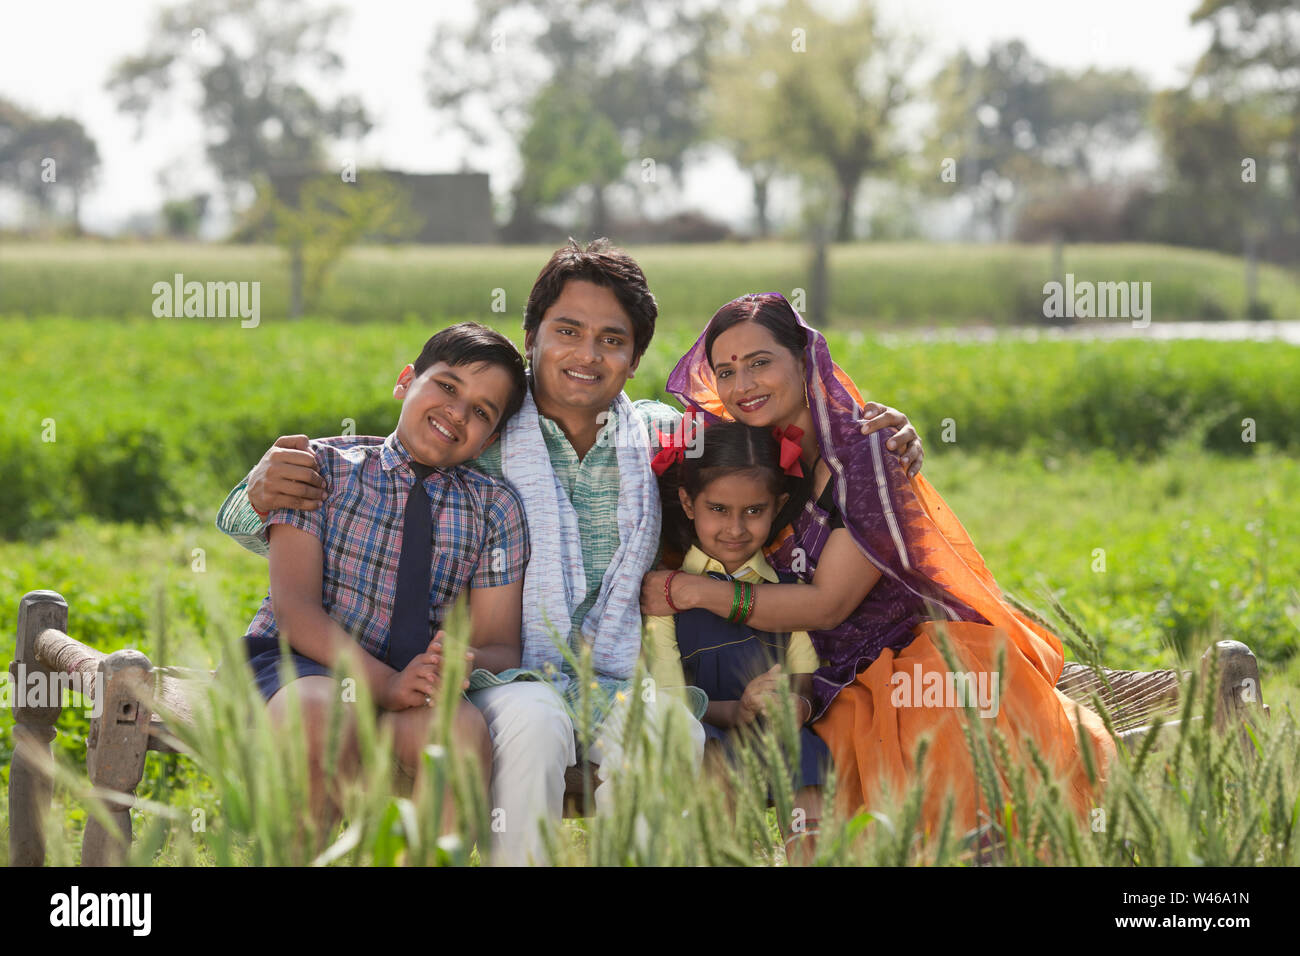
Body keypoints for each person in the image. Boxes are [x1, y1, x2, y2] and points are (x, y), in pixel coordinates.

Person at [218, 240, 926, 864]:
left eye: (612, 340)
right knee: (532, 724)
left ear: (636, 358)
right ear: (530, 336)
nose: (587, 356)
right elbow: (377, 489)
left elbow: (766, 446)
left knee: (671, 731)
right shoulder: (485, 427)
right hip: (507, 678)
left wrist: (867, 433)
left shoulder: (660, 435)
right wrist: (258, 488)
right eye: (567, 331)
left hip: (615, 678)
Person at [643, 292, 1117, 840]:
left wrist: (694, 592)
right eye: (724, 371)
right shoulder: (756, 456)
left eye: (759, 363)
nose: (741, 385)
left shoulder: (865, 451)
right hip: (817, 680)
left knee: (947, 785)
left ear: (804, 359)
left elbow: (828, 605)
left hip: (902, 659)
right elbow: (656, 455)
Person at [230, 322, 530, 840]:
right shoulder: (322, 468)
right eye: (447, 386)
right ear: (406, 380)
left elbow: (500, 645)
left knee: (459, 735)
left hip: (412, 683)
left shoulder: (494, 507)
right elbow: (295, 610)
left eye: (481, 411)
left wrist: (446, 666)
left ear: (494, 436)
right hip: (303, 668)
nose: (457, 412)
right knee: (321, 718)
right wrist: (382, 684)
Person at [645, 418, 831, 861]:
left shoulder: (788, 593)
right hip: (706, 729)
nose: (736, 528)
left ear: (778, 504)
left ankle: (813, 853)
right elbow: (672, 700)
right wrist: (740, 711)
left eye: (754, 511)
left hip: (775, 729)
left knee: (808, 751)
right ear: (689, 503)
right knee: (712, 761)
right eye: (718, 510)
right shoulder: (667, 597)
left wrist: (795, 705)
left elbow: (802, 679)